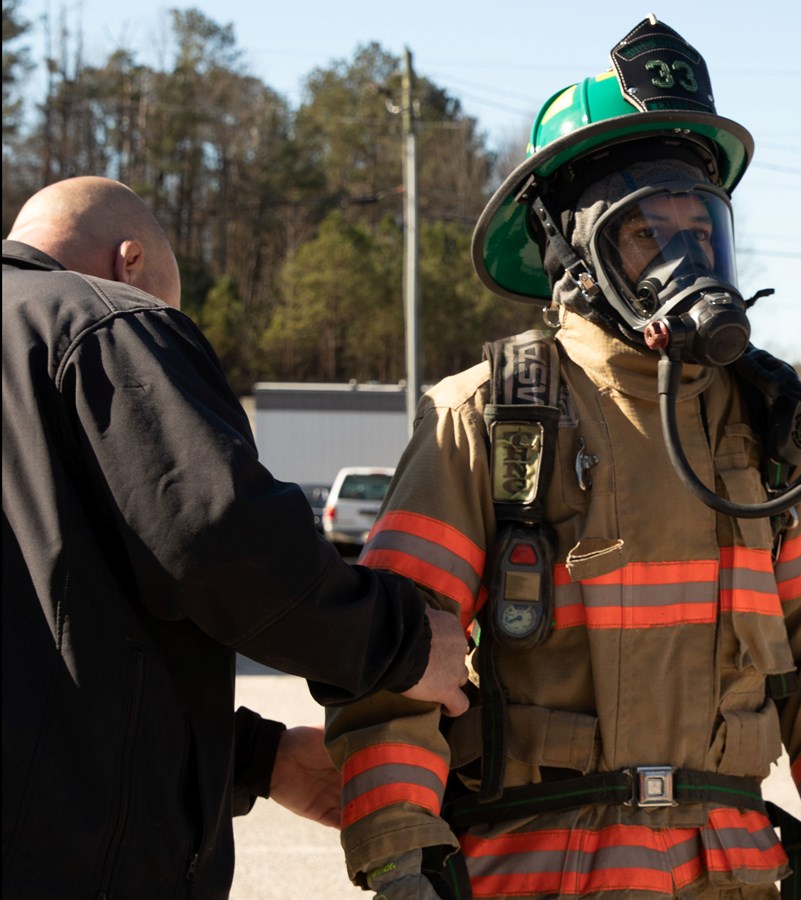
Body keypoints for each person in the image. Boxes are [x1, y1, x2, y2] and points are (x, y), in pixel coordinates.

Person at [324, 17, 801, 900]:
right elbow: (393, 664)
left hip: (730, 875)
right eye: (646, 233)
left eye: (700, 231)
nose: (683, 258)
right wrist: (402, 857)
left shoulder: (776, 429)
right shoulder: (491, 416)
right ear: (574, 251)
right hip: (538, 873)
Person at [2, 176, 472, 899]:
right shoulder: (102, 321)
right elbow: (215, 537)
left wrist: (257, 758)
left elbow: (57, 650)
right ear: (130, 261)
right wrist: (402, 643)